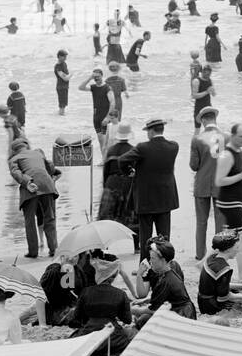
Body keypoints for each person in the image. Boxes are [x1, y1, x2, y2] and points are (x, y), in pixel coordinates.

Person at [121, 118, 180, 254]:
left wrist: (130, 172)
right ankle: (165, 264)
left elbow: (122, 160)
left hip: (146, 200)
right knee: (164, 238)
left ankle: (145, 266)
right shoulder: (174, 146)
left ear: (152, 131)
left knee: (145, 239)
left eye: (148, 131)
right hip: (165, 198)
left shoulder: (143, 148)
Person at [70, 260, 136, 356]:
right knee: (133, 333)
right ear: (113, 278)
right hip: (114, 340)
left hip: (89, 338)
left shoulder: (86, 292)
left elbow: (76, 318)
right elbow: (127, 320)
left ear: (98, 275)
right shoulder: (120, 294)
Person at [7, 137, 60, 259]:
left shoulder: (14, 159)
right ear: (26, 146)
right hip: (47, 185)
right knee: (50, 218)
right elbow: (50, 167)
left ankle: (33, 251)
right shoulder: (38, 153)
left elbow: (16, 173)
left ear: (14, 150)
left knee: (29, 221)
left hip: (30, 187)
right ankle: (53, 249)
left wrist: (27, 182)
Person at [214, 123, 242, 281]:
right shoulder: (227, 155)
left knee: (227, 238)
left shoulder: (238, 151)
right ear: (233, 135)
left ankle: (203, 262)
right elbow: (219, 181)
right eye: (241, 136)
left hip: (235, 202)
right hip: (229, 202)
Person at [133, 239, 198, 324]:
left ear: (163, 260)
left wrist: (134, 310)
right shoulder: (168, 272)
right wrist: (145, 301)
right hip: (182, 310)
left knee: (142, 321)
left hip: (182, 315)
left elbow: (152, 309)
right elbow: (163, 296)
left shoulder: (165, 280)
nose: (150, 261)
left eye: (152, 258)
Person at [188, 107, 224, 260]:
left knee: (201, 222)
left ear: (203, 120)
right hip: (220, 184)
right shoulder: (225, 137)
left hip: (202, 184)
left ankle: (200, 254)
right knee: (220, 221)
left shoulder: (197, 139)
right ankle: (218, 252)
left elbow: (193, 165)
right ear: (215, 119)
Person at [79, 67, 114, 153]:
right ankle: (104, 160)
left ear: (102, 76)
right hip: (96, 117)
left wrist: (108, 117)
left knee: (106, 141)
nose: (96, 78)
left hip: (105, 117)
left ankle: (107, 160)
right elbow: (80, 87)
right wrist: (89, 78)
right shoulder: (93, 87)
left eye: (98, 76)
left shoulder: (107, 88)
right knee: (100, 141)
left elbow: (113, 103)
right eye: (95, 77)